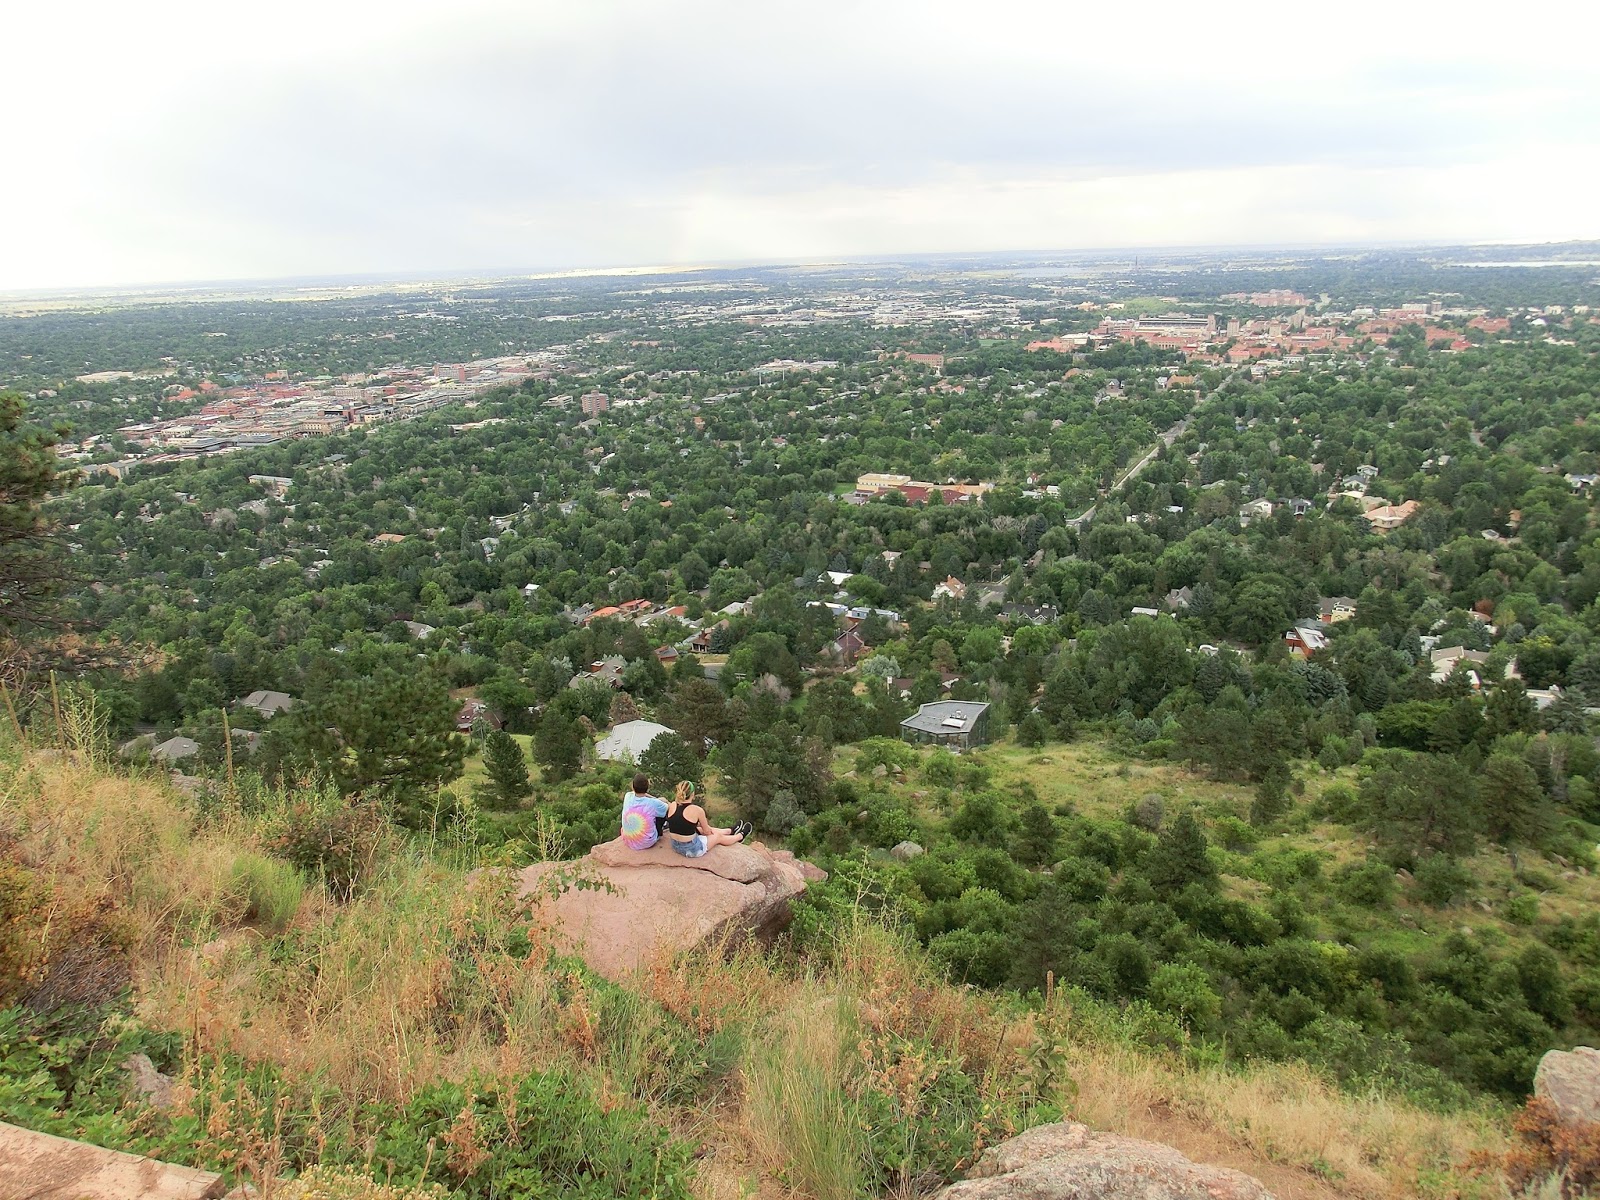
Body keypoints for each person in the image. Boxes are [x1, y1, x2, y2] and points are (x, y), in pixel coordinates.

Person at [663, 780, 752, 858]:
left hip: (675, 845)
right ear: (693, 794)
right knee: (717, 837)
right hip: (691, 849)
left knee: (699, 829)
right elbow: (707, 832)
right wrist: (711, 832)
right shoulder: (697, 810)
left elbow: (681, 823)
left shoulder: (672, 805)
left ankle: (730, 831)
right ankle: (740, 836)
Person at [619, 773, 669, 850]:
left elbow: (639, 794)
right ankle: (662, 830)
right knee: (662, 810)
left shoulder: (628, 796)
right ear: (648, 788)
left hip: (628, 840)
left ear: (633, 786)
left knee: (654, 810)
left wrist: (656, 799)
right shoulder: (652, 804)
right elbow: (668, 808)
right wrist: (662, 800)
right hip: (647, 842)